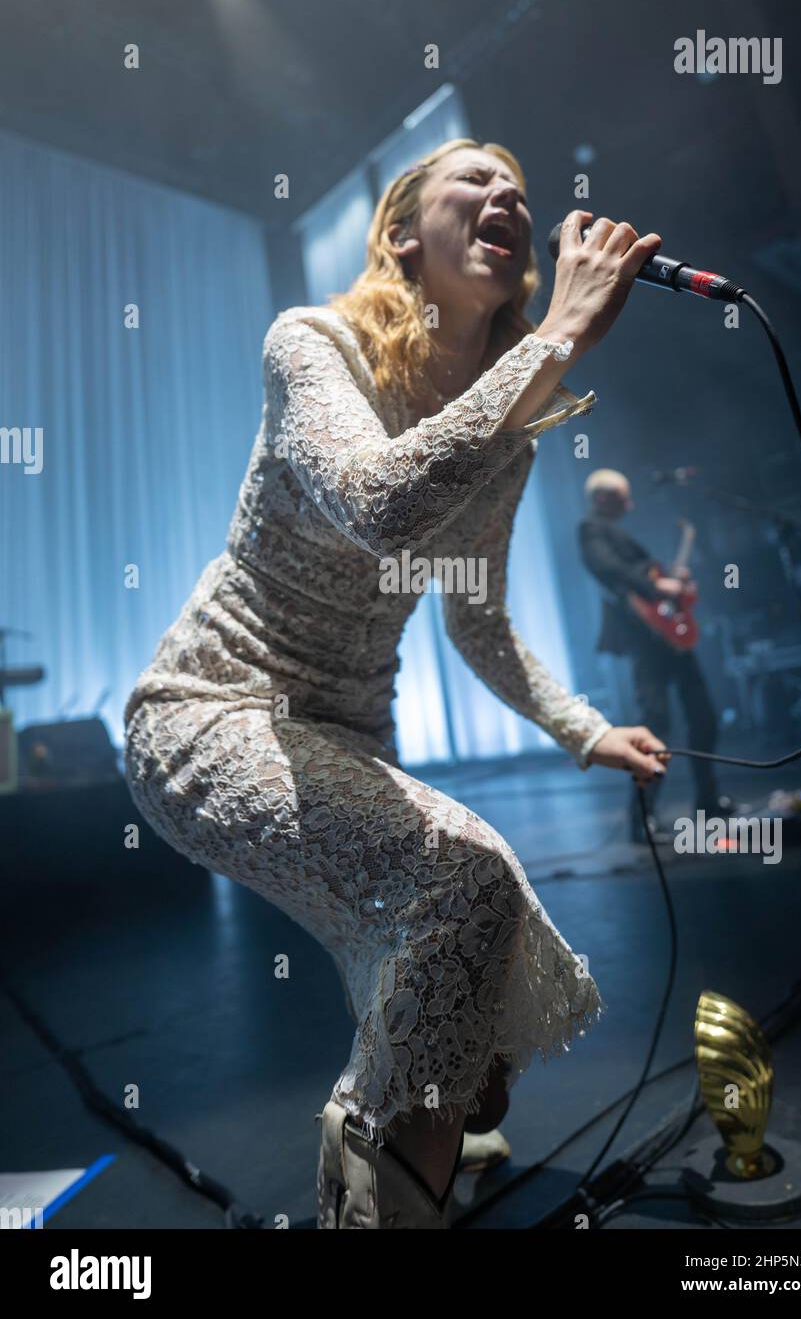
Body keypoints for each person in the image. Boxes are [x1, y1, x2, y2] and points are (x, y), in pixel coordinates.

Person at [123, 137, 669, 1229]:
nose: (505, 193)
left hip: (350, 736)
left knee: (473, 1000)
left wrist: (580, 728)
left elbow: (475, 615)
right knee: (463, 880)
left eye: (516, 185)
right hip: (210, 712)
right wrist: (556, 338)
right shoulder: (311, 343)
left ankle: (441, 1110)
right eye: (472, 178)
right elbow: (378, 506)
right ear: (401, 234)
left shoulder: (507, 438)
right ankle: (371, 1202)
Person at [579, 468, 727, 842]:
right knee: (656, 724)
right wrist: (656, 583)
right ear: (602, 499)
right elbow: (608, 568)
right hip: (645, 640)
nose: (630, 505)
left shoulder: (619, 534)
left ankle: (709, 802)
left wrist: (673, 583)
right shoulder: (592, 530)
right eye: (621, 498)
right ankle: (640, 821)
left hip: (668, 639)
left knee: (703, 717)